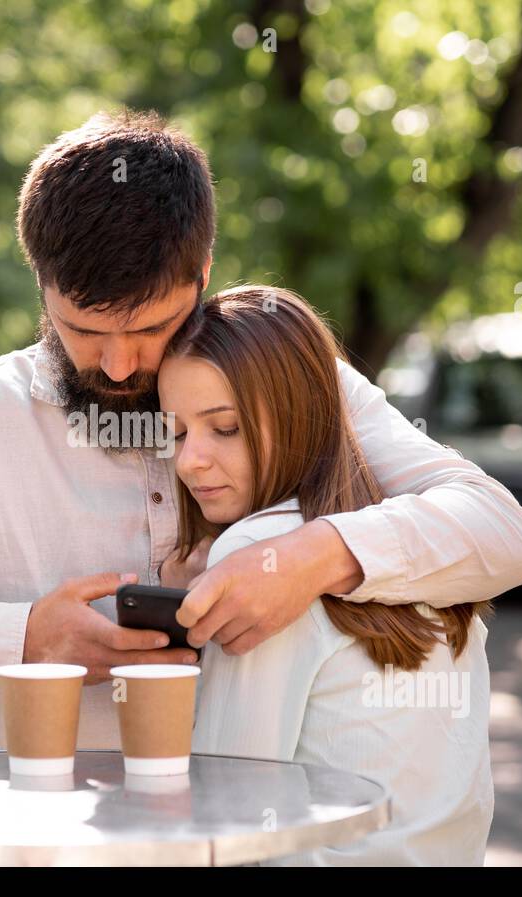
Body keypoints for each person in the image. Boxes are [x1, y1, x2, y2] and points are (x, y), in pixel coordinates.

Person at [0, 109, 522, 751]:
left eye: (152, 328)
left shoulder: (293, 384)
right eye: (85, 331)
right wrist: (18, 635)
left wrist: (314, 557)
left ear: (204, 275)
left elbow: (501, 532)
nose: (120, 367)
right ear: (40, 284)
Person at [158, 286, 495, 865]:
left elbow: (227, 813)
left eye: (226, 428)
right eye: (179, 432)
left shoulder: (259, 549)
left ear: (297, 416)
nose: (191, 460)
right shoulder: (410, 534)